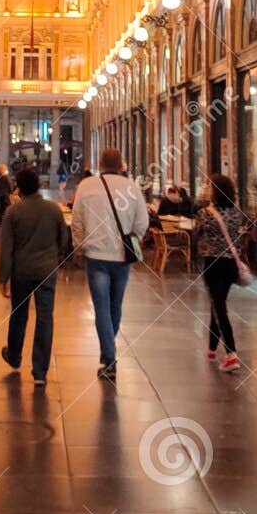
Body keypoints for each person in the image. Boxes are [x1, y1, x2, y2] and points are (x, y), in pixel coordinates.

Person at [70, 146, 149, 382]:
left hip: (96, 257)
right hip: (122, 258)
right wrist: (132, 240)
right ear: (121, 164)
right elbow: (142, 222)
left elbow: (77, 221)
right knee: (116, 305)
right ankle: (109, 349)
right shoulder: (132, 187)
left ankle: (108, 357)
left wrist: (78, 247)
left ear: (101, 164)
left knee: (102, 307)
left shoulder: (86, 186)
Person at [0, 167, 71, 386]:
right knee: (45, 317)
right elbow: (64, 240)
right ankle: (40, 371)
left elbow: (6, 248)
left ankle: (14, 356)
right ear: (39, 185)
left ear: (19, 189)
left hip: (21, 271)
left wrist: (3, 277)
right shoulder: (53, 210)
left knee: (19, 314)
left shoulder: (13, 212)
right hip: (46, 270)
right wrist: (53, 256)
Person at [196, 173, 247, 372]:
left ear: (215, 192)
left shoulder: (206, 213)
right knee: (218, 302)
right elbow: (241, 230)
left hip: (212, 263)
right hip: (230, 264)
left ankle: (231, 353)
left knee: (218, 306)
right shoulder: (236, 212)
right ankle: (211, 347)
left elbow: (197, 231)